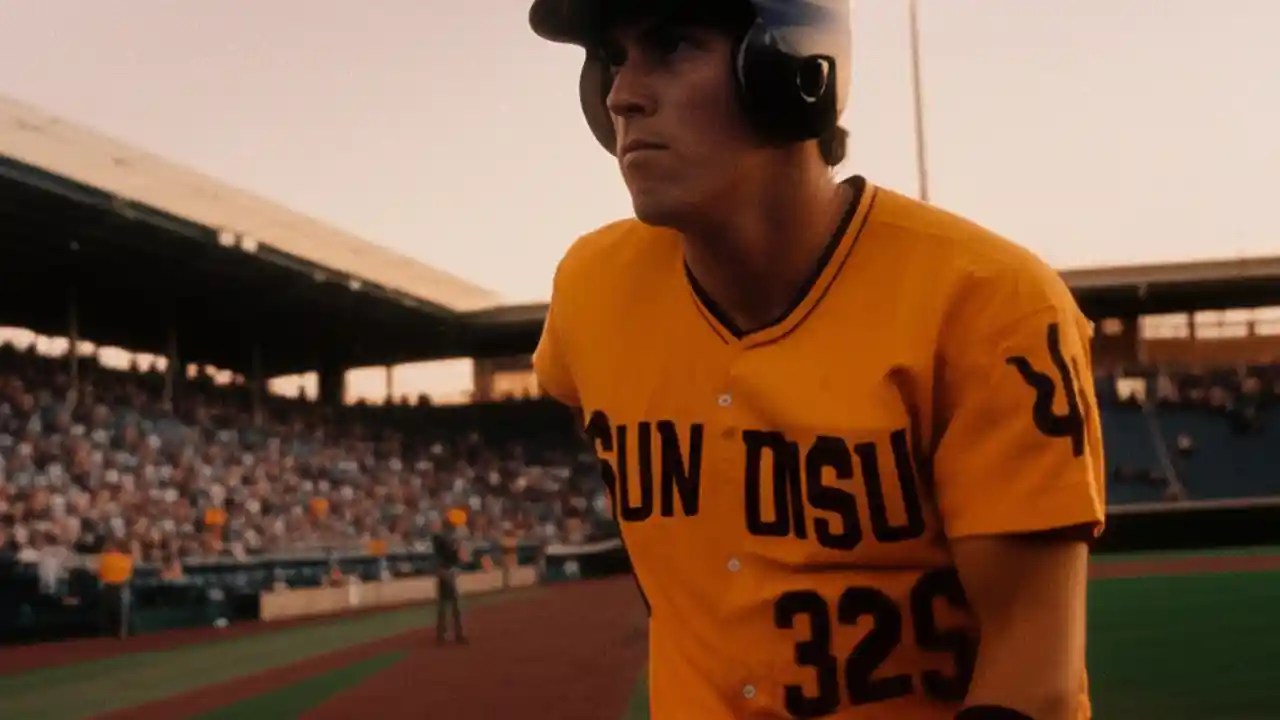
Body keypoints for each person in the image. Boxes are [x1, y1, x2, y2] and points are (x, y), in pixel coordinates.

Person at [527, 1, 1106, 718]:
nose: (622, 94)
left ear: (792, 66)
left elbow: (1032, 676)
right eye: (612, 59)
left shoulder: (993, 303)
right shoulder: (590, 292)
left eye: (673, 45)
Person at [432, 521, 467, 645]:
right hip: (445, 572)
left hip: (448, 572)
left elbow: (457, 559)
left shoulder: (445, 541)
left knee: (449, 604)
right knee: (449, 604)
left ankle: (449, 633)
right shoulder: (440, 540)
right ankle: (448, 633)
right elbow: (451, 557)